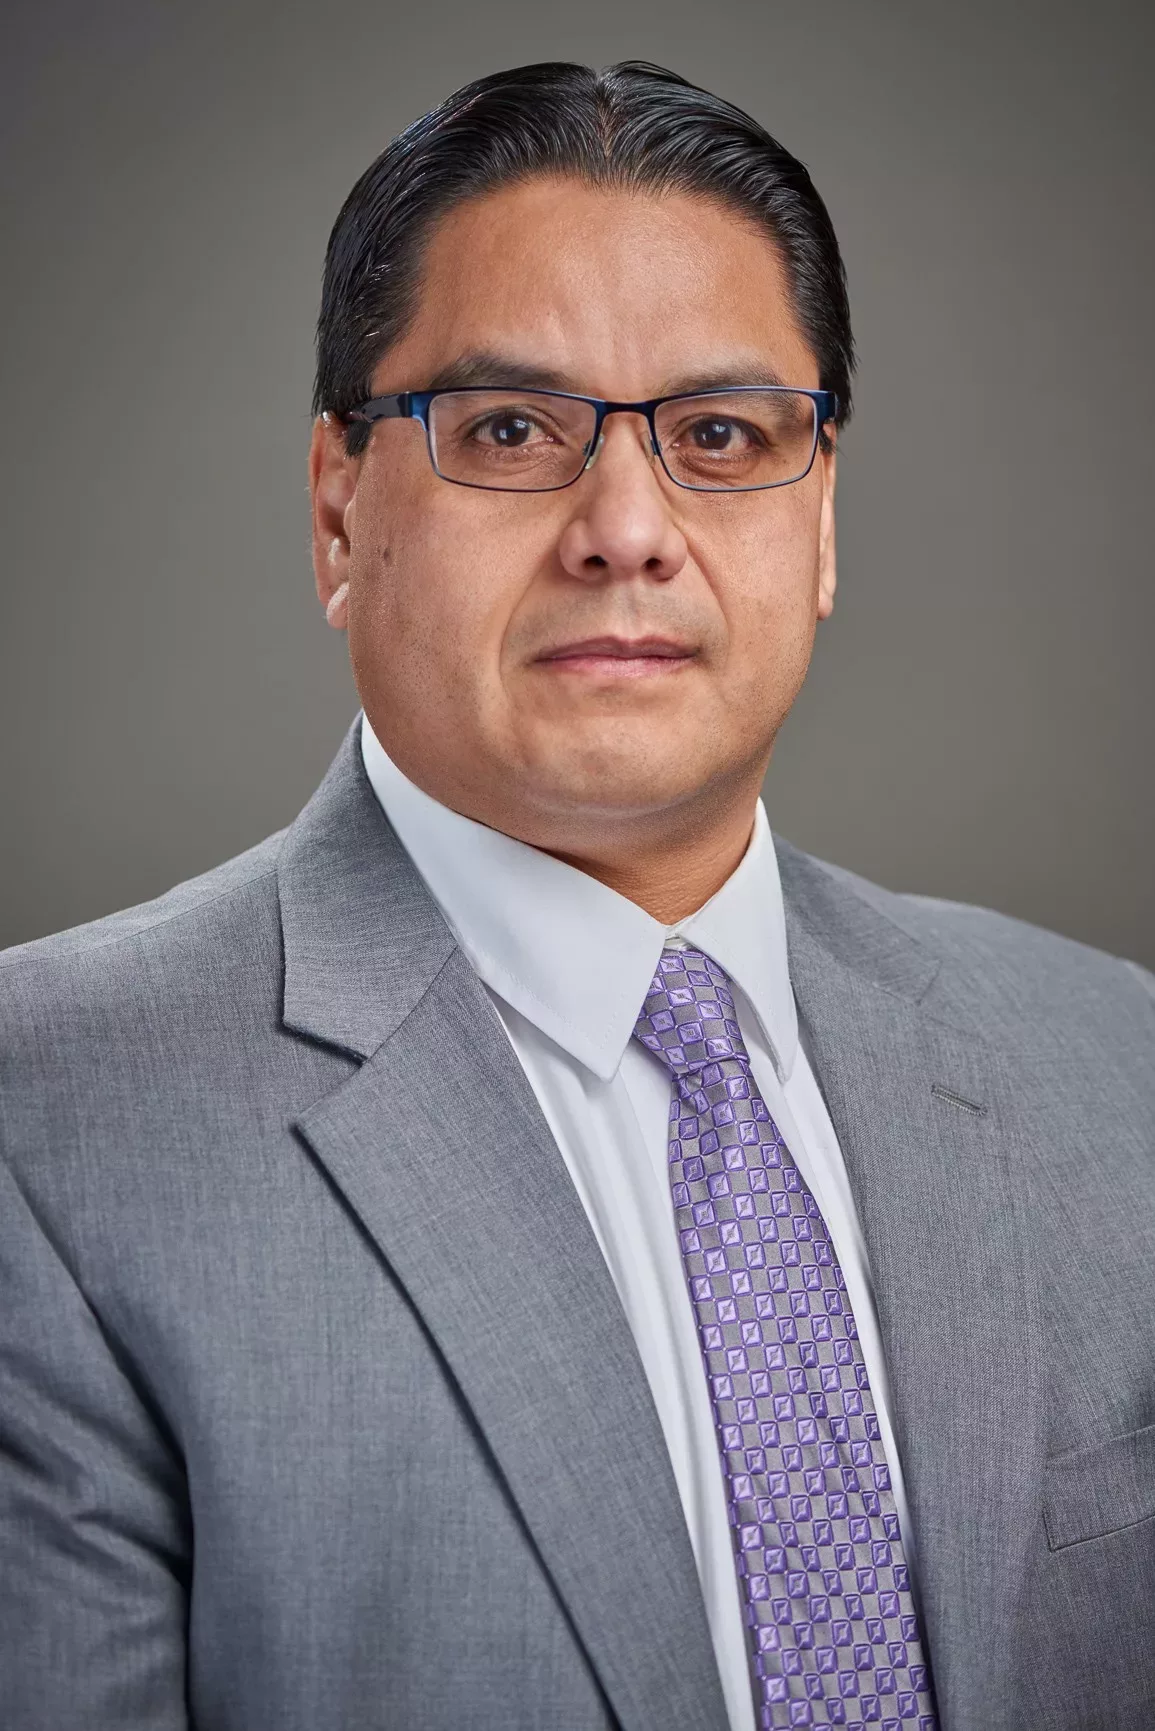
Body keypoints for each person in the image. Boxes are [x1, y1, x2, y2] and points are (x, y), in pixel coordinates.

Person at [0, 58, 1151, 1731]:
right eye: (510, 430)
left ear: (821, 516)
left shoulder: (1113, 1065)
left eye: (719, 435)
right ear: (338, 508)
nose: (626, 528)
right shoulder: (49, 1123)